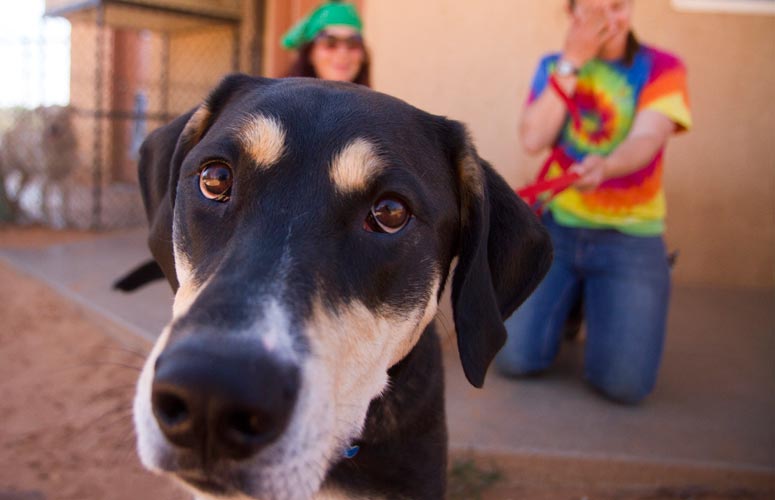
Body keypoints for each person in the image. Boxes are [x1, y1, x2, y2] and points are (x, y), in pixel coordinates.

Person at [495, 0, 692, 404]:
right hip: (558, 226)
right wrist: (572, 62)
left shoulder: (663, 67)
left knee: (624, 385)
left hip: (631, 236)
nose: (607, 19)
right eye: (593, 8)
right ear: (572, 13)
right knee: (514, 360)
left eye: (617, 6)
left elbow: (648, 137)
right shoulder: (553, 66)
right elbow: (532, 139)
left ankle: (608, 289)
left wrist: (607, 166)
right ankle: (573, 301)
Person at [281, 0, 370, 86]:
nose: (343, 53)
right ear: (310, 53)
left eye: (353, 44)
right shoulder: (283, 95)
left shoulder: (372, 96)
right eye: (330, 44)